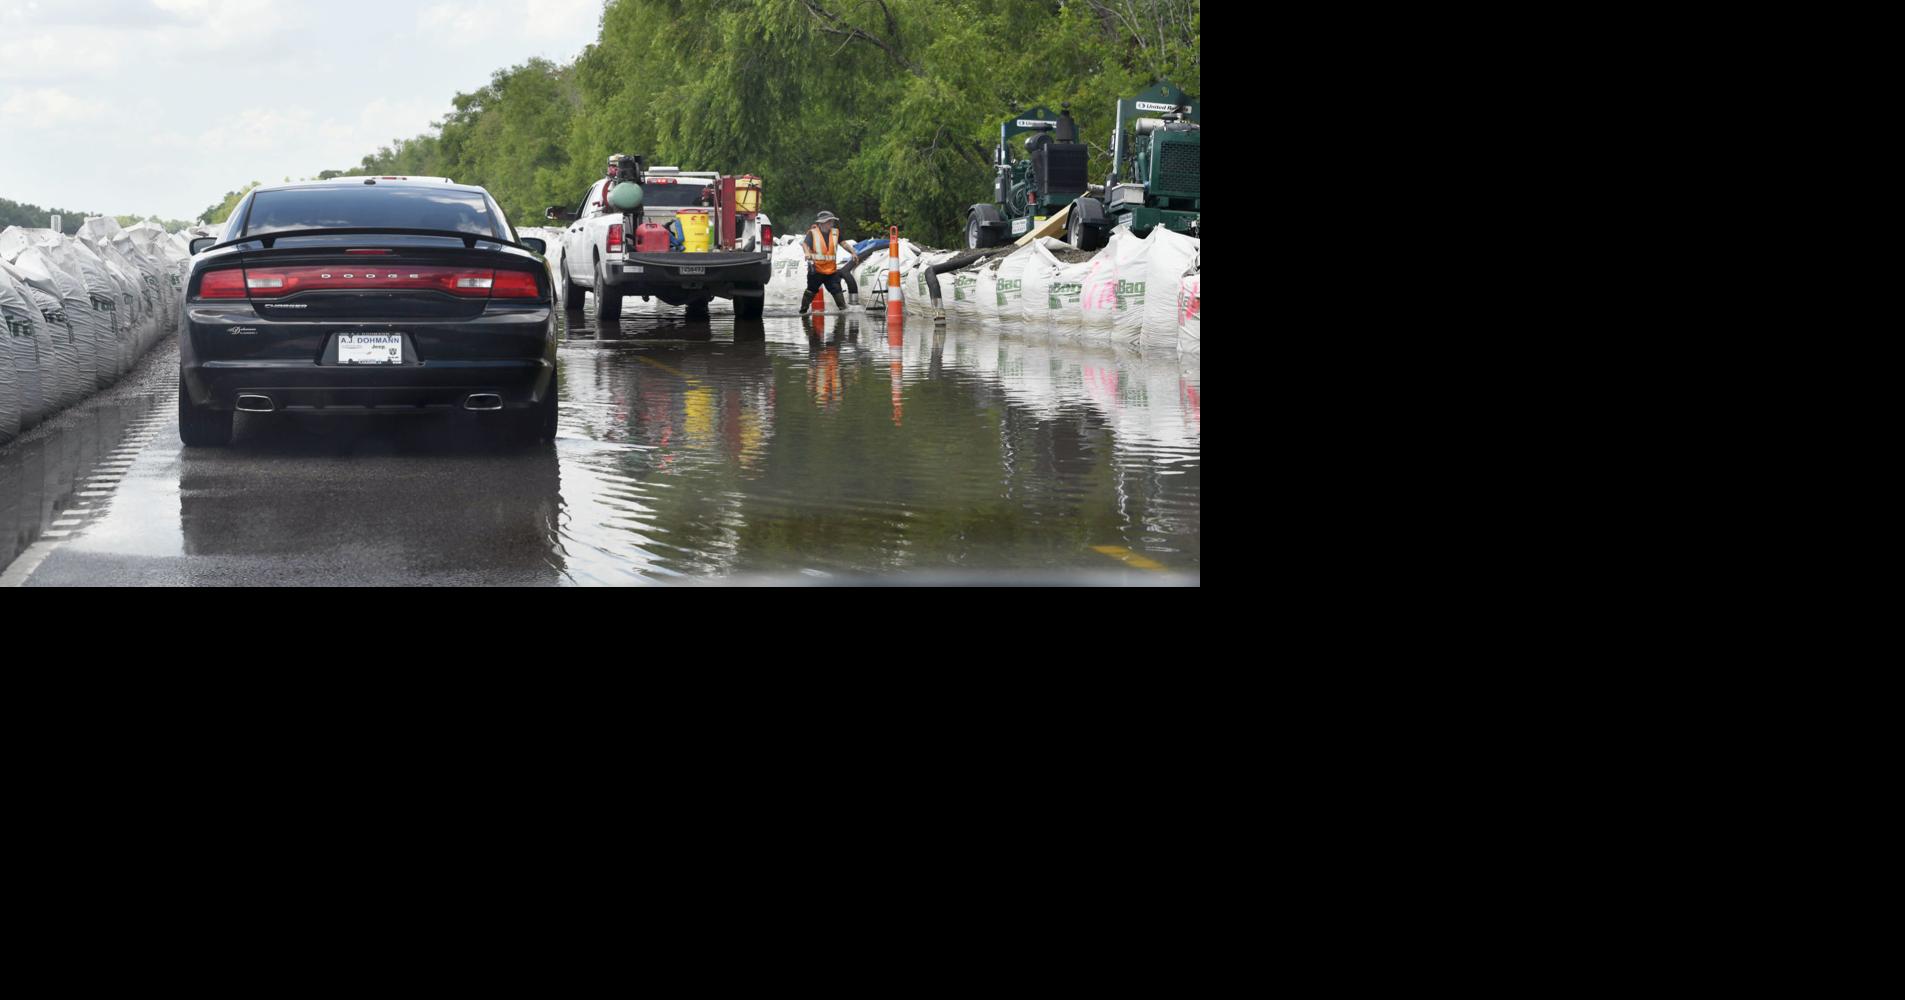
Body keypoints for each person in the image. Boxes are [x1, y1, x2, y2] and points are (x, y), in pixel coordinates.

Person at [799, 211, 859, 315]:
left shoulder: (836, 232)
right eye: (829, 222)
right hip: (817, 270)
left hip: (831, 271)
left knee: (837, 290)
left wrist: (853, 252)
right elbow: (805, 244)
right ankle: (803, 311)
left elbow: (843, 243)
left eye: (832, 222)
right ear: (822, 223)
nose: (831, 224)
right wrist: (807, 253)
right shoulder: (812, 233)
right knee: (811, 291)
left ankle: (843, 311)